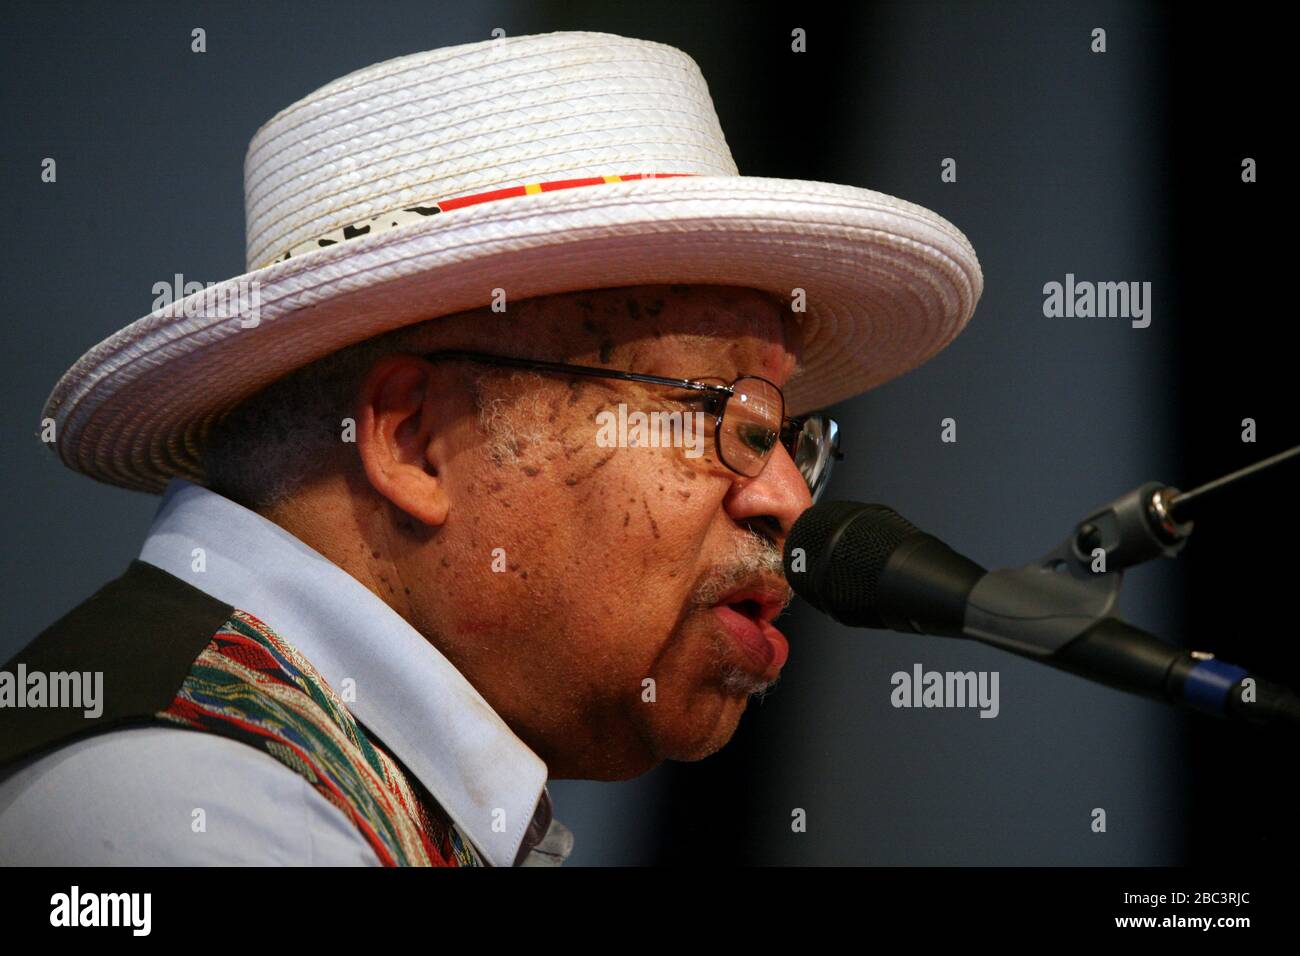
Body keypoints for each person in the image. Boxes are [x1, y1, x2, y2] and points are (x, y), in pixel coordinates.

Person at [0, 30, 981, 865]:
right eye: (719, 413)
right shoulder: (182, 803)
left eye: (784, 436)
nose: (783, 497)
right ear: (414, 439)